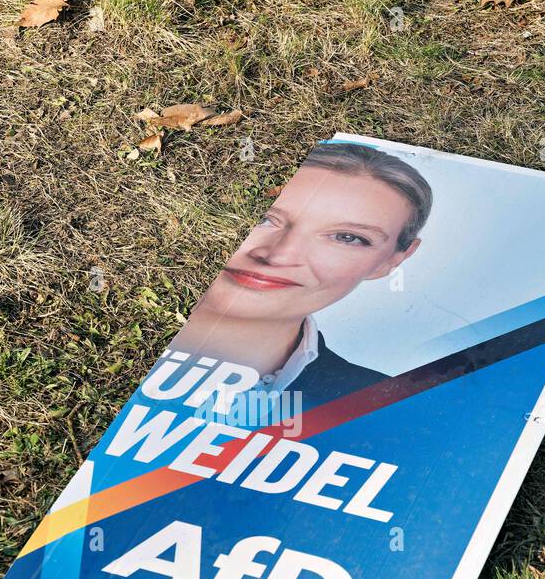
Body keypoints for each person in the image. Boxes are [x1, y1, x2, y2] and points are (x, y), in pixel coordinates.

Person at [170, 141, 433, 406]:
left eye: (346, 237)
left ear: (391, 260)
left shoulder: (393, 411)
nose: (279, 255)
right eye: (264, 218)